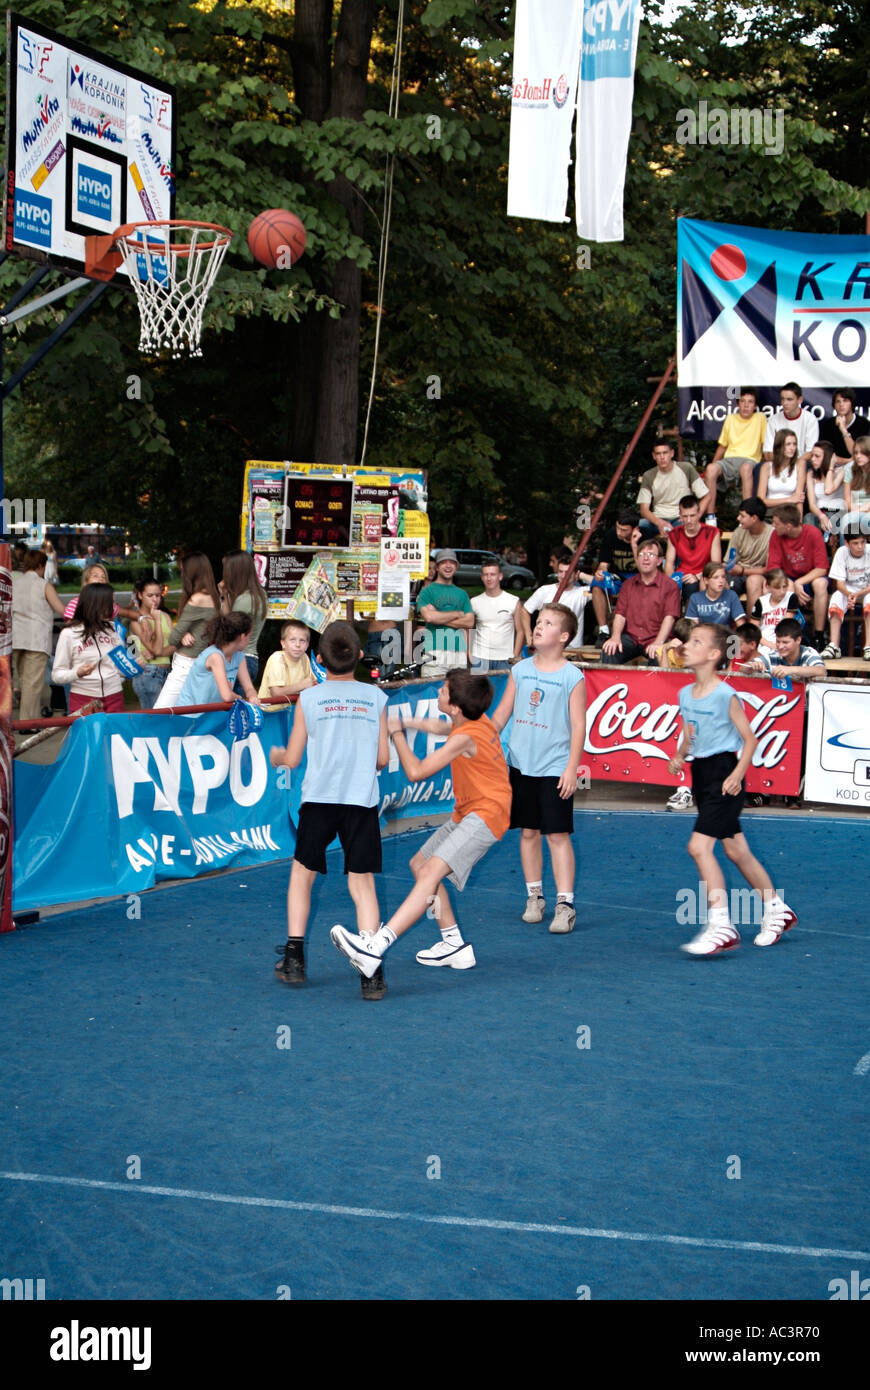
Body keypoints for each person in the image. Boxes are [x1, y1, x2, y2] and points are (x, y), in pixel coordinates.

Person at [329, 669, 509, 978]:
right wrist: (408, 722)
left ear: (454, 706)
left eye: (443, 690)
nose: (439, 691)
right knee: (420, 863)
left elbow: (416, 772)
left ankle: (376, 947)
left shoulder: (465, 736)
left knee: (430, 872)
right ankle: (454, 944)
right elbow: (439, 726)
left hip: (487, 815)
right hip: (470, 811)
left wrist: (397, 734)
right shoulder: (472, 719)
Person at [270, 620, 389, 999]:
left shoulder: (309, 698)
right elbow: (382, 759)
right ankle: (372, 973)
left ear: (318, 660)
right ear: (358, 656)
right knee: (362, 881)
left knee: (302, 874)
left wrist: (277, 756)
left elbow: (292, 756)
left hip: (319, 799)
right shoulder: (376, 698)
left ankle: (294, 957)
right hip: (360, 800)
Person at [667, 623, 797, 955]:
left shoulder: (726, 695)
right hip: (702, 774)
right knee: (736, 851)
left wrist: (738, 774)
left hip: (725, 774)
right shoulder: (685, 693)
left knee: (699, 848)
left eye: (695, 642)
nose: (687, 645)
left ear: (713, 655)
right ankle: (777, 910)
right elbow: (689, 730)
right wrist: (681, 754)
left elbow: (750, 740)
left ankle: (721, 923)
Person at [490, 603, 586, 933]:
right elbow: (502, 714)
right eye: (538, 621)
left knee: (557, 835)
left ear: (564, 636)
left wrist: (572, 768)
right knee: (528, 831)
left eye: (547, 623)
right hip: (520, 764)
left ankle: (565, 904)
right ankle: (535, 897)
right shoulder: (520, 670)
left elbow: (578, 725)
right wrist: (481, 738)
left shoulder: (572, 676)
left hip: (554, 767)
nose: (538, 626)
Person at [153, 553, 221, 708]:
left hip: (185, 664)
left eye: (183, 571)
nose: (181, 574)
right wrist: (184, 633)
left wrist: (180, 632)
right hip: (201, 661)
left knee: (159, 712)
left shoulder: (197, 599)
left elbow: (173, 639)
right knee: (190, 715)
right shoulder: (214, 596)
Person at [600, 537, 681, 664]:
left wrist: (658, 642)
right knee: (610, 649)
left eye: (650, 554)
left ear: (659, 560)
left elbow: (669, 617)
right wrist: (615, 637)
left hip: (657, 637)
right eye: (642, 554)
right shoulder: (628, 585)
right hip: (632, 638)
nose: (645, 558)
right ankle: (608, 685)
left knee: (659, 654)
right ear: (637, 559)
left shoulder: (670, 586)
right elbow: (620, 614)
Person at [52, 583, 125, 713]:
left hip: (115, 696)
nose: (114, 607)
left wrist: (135, 663)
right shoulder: (69, 634)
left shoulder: (113, 629)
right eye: (110, 602)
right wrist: (77, 673)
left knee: (114, 733)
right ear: (96, 604)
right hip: (83, 700)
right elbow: (57, 674)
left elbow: (127, 656)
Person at [12, 550, 66, 722]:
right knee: (32, 684)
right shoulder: (44, 585)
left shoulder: (15, 583)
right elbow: (62, 610)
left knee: (22, 679)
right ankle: (28, 723)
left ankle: (24, 717)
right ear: (41, 565)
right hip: (37, 639)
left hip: (16, 638)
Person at [767, 505, 830, 649]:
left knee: (821, 584)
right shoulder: (776, 536)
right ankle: (786, 634)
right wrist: (792, 583)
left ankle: (818, 635)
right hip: (789, 578)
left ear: (788, 526)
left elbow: (821, 568)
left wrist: (799, 582)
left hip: (810, 577)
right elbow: (773, 568)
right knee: (785, 585)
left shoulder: (813, 533)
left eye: (776, 523)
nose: (773, 526)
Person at [705, 387, 767, 520]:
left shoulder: (760, 418)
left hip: (749, 460)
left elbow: (763, 445)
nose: (746, 405)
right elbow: (722, 446)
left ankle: (747, 514)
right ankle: (710, 517)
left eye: (750, 402)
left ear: (755, 406)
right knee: (711, 469)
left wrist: (764, 465)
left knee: (745, 469)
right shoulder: (730, 418)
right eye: (743, 401)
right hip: (729, 460)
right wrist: (713, 465)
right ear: (738, 403)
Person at [176, 611, 262, 707]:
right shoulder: (215, 656)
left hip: (210, 715)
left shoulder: (239, 656)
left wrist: (252, 696)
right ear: (242, 637)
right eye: (249, 636)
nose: (249, 640)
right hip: (190, 714)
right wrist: (242, 699)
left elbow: (249, 688)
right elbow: (227, 696)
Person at [414, 549, 474, 677]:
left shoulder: (462, 594)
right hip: (435, 651)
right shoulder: (427, 591)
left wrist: (438, 615)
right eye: (443, 562)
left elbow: (469, 622)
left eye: (452, 562)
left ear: (456, 566)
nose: (448, 565)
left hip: (459, 653)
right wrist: (457, 614)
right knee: (432, 695)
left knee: (458, 695)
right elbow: (429, 617)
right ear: (437, 567)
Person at [636, 442, 710, 538]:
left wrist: (696, 516)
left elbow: (707, 496)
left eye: (665, 453)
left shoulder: (686, 468)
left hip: (681, 517)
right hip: (657, 518)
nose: (662, 457)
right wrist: (660, 523)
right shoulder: (649, 475)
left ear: (672, 453)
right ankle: (647, 552)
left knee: (686, 528)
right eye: (658, 454)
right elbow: (644, 510)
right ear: (654, 456)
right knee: (640, 526)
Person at [220, 549, 268, 684]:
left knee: (230, 704)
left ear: (235, 571)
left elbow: (227, 628)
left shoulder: (245, 599)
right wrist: (224, 595)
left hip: (240, 659)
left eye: (226, 569)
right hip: (249, 658)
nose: (225, 574)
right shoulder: (259, 594)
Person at [590, 510, 640, 641]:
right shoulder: (611, 535)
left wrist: (634, 545)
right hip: (617, 578)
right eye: (618, 528)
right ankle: (603, 630)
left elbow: (647, 568)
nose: (619, 533)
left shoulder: (643, 537)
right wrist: (601, 572)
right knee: (596, 584)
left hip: (638, 579)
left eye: (624, 530)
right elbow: (603, 564)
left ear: (635, 529)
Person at [821, 531, 870, 661]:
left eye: (863, 542)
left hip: (866, 590)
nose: (860, 546)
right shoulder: (842, 552)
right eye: (855, 543)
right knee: (836, 598)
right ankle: (834, 646)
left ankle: (868, 647)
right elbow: (839, 584)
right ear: (847, 543)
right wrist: (849, 595)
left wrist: (857, 594)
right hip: (848, 590)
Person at [522, 558, 591, 650]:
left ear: (575, 574)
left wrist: (581, 575)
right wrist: (528, 635)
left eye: (567, 572)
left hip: (573, 649)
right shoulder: (545, 590)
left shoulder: (582, 593)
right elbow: (524, 610)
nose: (563, 576)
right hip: (546, 647)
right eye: (560, 571)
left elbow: (604, 585)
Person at [664, 495, 721, 604]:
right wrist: (674, 581)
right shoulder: (674, 534)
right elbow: (669, 564)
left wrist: (698, 576)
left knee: (695, 587)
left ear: (699, 513)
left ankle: (694, 620)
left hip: (704, 574)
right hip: (682, 576)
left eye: (692, 515)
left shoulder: (712, 532)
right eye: (685, 516)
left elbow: (716, 564)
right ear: (680, 515)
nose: (689, 520)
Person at [470, 559, 523, 669]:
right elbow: (469, 629)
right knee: (479, 687)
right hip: (480, 657)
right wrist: (470, 654)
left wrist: (515, 656)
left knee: (504, 687)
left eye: (493, 574)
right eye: (486, 575)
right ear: (482, 577)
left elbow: (520, 631)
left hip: (505, 658)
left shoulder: (513, 601)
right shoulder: (474, 602)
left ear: (500, 576)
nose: (489, 578)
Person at [128, 577, 172, 709]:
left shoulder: (165, 616)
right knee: (153, 718)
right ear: (140, 595)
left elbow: (174, 646)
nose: (155, 599)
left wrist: (159, 652)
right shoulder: (137, 619)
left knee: (166, 716)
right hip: (148, 672)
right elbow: (132, 645)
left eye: (158, 595)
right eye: (150, 595)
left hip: (167, 672)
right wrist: (157, 621)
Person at [728, 498, 772, 612]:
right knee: (720, 581)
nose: (738, 519)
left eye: (742, 516)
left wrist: (743, 571)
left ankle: (752, 626)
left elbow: (769, 569)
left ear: (754, 518)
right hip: (736, 573)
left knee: (754, 581)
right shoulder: (739, 532)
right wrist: (730, 567)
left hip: (758, 575)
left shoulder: (772, 535)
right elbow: (730, 561)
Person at [761, 382, 819, 470]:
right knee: (760, 468)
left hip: (801, 463)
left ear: (800, 400)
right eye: (783, 399)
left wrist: (793, 464)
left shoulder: (810, 419)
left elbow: (811, 452)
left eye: (789, 399)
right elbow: (768, 453)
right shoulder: (773, 420)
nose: (785, 403)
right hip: (778, 462)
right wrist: (784, 462)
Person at [258, 620, 317, 704]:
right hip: (270, 711)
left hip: (290, 708)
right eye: (292, 640)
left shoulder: (304, 658)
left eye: (302, 640)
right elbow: (276, 693)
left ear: (307, 645)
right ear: (283, 643)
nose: (297, 644)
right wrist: (301, 685)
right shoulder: (277, 659)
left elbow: (312, 682)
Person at [755, 617, 826, 680]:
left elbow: (821, 671)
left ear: (798, 640)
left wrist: (791, 670)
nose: (780, 646)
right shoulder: (773, 654)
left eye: (785, 642)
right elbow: (746, 667)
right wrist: (752, 666)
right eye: (778, 641)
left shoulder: (808, 653)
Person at [757, 428, 806, 516]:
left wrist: (799, 523)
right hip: (770, 511)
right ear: (779, 446)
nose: (792, 448)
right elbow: (761, 500)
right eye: (788, 444)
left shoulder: (800, 465)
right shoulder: (767, 467)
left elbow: (799, 499)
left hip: (789, 512)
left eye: (794, 444)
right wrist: (789, 499)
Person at [805, 441, 846, 542]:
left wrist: (830, 467)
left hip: (837, 512)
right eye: (812, 456)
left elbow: (828, 490)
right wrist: (822, 516)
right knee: (808, 518)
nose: (813, 459)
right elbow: (812, 504)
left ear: (828, 457)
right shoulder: (811, 474)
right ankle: (813, 555)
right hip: (819, 512)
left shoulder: (841, 471)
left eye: (817, 456)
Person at [751, 568, 801, 651]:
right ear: (768, 586)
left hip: (784, 641)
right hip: (763, 642)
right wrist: (769, 644)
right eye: (777, 588)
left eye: (784, 587)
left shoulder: (791, 598)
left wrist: (777, 645)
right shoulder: (761, 601)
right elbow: (753, 630)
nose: (782, 591)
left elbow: (785, 626)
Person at [685, 562, 746, 628]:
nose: (721, 581)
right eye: (716, 577)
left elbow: (741, 624)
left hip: (724, 635)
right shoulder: (695, 598)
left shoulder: (731, 595)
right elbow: (692, 627)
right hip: (703, 635)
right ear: (706, 580)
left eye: (723, 577)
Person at [817, 388, 870, 462]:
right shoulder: (828, 425)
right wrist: (847, 461)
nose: (841, 404)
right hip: (833, 467)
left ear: (852, 404)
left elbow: (858, 455)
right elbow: (825, 454)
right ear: (834, 406)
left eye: (845, 401)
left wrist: (843, 429)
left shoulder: (864, 424)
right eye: (838, 402)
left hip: (857, 468)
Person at [841, 435, 870, 533]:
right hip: (855, 510)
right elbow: (847, 501)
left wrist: (863, 509)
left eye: (862, 453)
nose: (858, 456)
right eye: (856, 453)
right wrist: (858, 510)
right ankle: (846, 548)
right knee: (847, 520)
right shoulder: (850, 469)